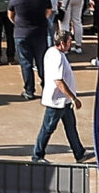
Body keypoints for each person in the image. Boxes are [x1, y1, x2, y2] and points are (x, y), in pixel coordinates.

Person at [30, 28, 87, 163]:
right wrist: (73, 98)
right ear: (61, 43)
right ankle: (37, 155)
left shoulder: (52, 52)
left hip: (64, 101)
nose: (70, 44)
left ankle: (79, 153)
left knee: (71, 127)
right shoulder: (57, 57)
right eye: (69, 42)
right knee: (48, 128)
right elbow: (58, 81)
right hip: (57, 101)